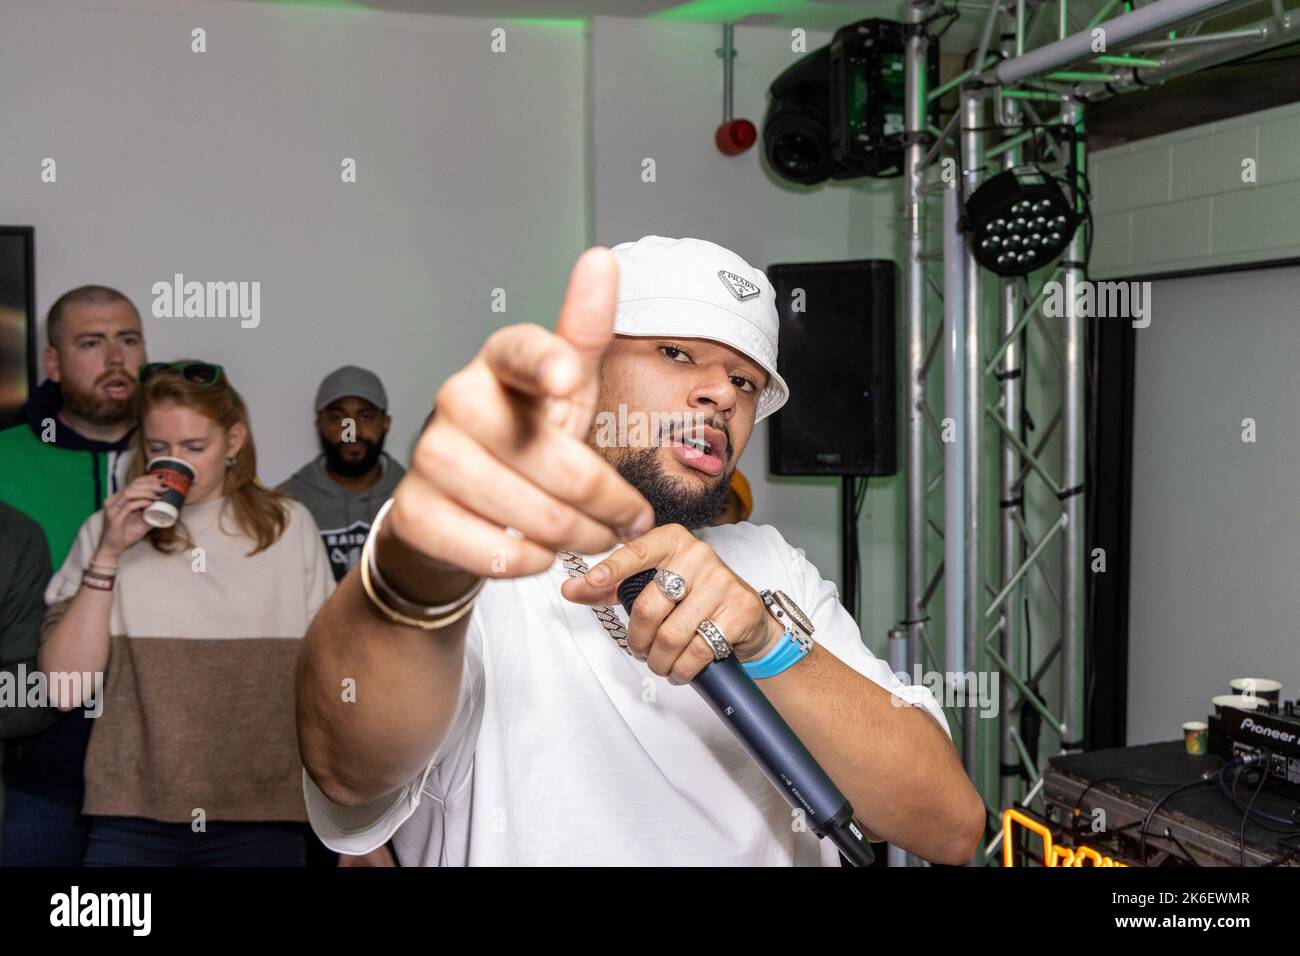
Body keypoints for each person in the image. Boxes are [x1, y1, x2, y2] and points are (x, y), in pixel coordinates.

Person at [297, 236, 984, 866]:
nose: (721, 393)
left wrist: (768, 643)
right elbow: (346, 770)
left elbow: (949, 827)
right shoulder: (471, 553)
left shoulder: (772, 566)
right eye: (677, 353)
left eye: (745, 383)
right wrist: (412, 587)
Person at [39, 361, 334, 866]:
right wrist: (109, 554)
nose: (177, 463)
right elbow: (65, 689)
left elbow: (330, 678)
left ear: (234, 440)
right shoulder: (107, 529)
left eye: (195, 448)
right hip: (131, 815)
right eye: (159, 449)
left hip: (261, 813)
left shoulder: (289, 527)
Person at [0, 285, 146, 866]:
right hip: (38, 775)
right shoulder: (5, 460)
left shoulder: (192, 463)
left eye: (128, 340)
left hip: (164, 780)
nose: (115, 359)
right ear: (53, 362)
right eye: (92, 343)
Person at [278, 366, 406, 584]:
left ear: (385, 423)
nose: (351, 431)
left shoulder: (416, 499)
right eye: (338, 418)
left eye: (365, 417)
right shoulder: (285, 505)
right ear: (319, 425)